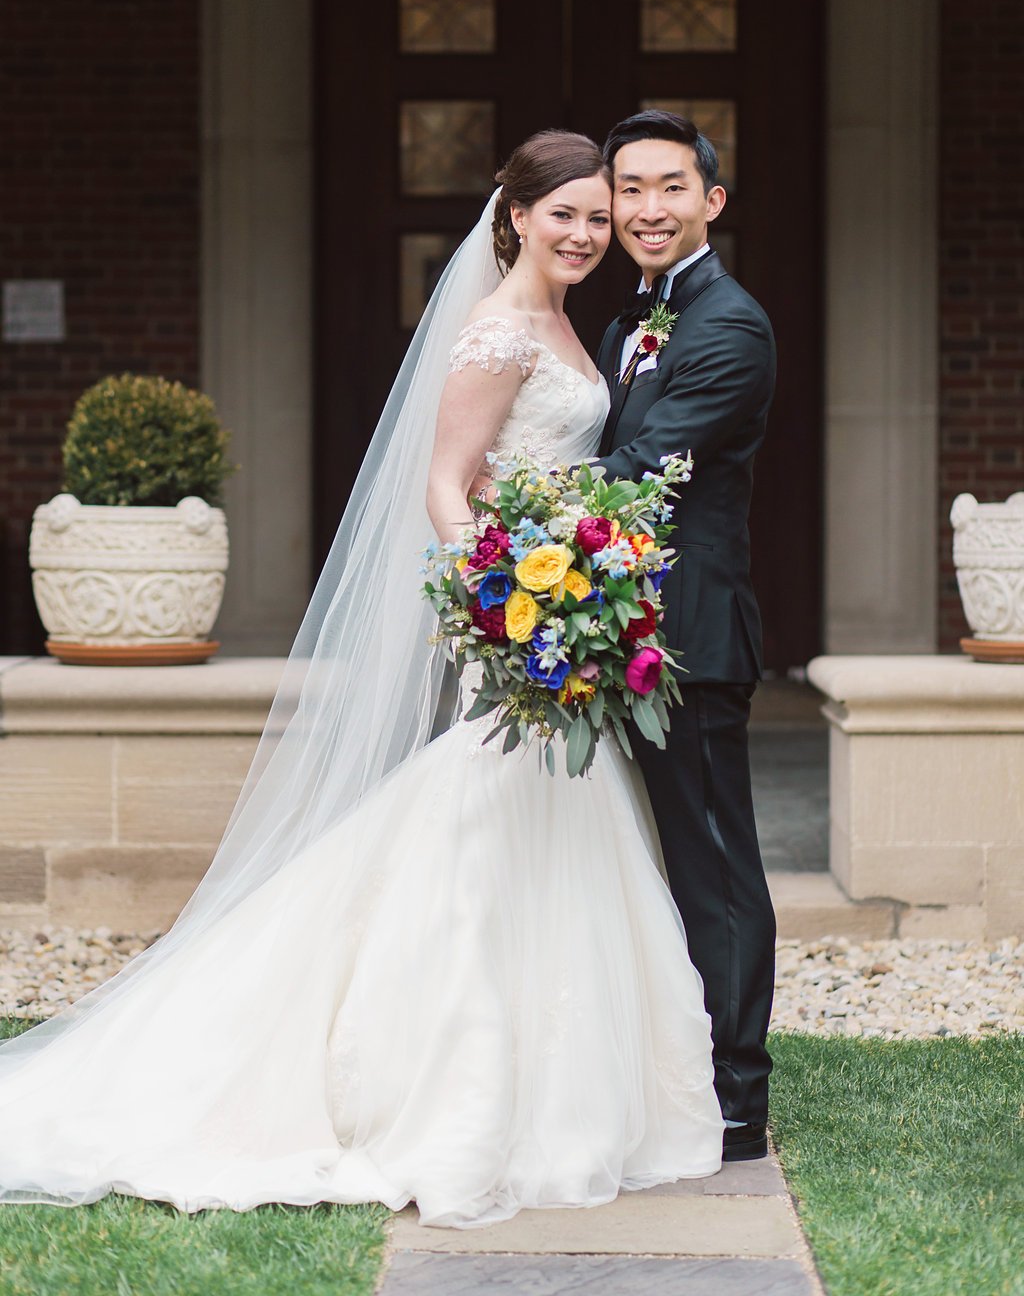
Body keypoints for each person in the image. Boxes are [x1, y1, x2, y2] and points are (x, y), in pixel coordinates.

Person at [0, 131, 722, 1228]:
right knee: (482, 831)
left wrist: (578, 588)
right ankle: (431, 1088)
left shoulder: (568, 325)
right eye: (562, 214)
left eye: (595, 215)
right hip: (520, 624)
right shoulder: (492, 333)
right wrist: (509, 608)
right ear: (513, 213)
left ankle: (563, 1094)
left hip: (559, 614)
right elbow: (446, 485)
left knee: (547, 837)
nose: (583, 233)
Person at [592, 110, 777, 1162]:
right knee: (649, 864)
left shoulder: (729, 325)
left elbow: (647, 465)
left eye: (670, 187)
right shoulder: (632, 320)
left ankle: (738, 1098)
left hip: (690, 638)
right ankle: (664, 1066)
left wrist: (503, 513)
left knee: (712, 867)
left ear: (710, 202)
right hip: (622, 630)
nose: (646, 208)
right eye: (630, 189)